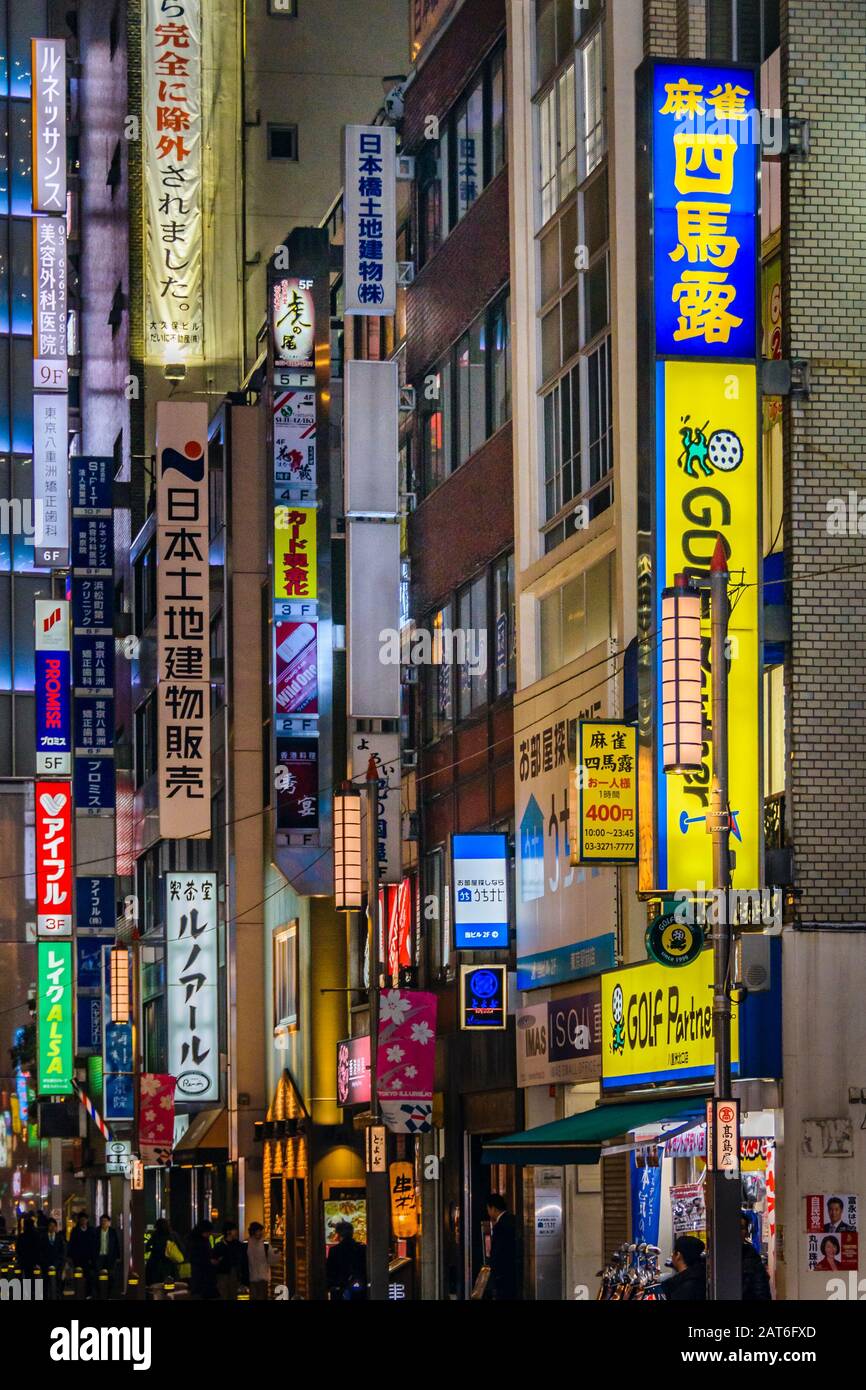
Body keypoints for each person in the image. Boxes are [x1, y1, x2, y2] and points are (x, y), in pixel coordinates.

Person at [486, 1194, 519, 1300]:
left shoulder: (499, 1227)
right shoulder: (514, 1220)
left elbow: (496, 1254)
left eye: (488, 1209)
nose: (488, 1212)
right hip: (515, 1274)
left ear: (493, 1208)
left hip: (503, 1277)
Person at [325, 1221, 367, 1301]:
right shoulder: (361, 1248)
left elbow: (330, 1271)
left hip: (340, 1289)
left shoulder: (334, 1250)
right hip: (359, 1287)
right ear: (352, 1233)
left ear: (338, 1234)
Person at [145, 1218, 185, 1294]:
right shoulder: (173, 1235)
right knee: (170, 1286)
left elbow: (147, 1247)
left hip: (155, 1265)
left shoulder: (155, 1235)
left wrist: (153, 1249)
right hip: (170, 1264)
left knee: (156, 1287)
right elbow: (181, 1248)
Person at [663, 1235, 707, 1300]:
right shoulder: (701, 1278)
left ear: (678, 1255)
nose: (671, 1256)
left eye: (673, 1252)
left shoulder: (684, 1288)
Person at [242, 1222, 278, 1300]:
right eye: (259, 1231)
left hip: (263, 1277)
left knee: (261, 1296)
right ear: (253, 1231)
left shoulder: (265, 1244)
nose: (260, 1233)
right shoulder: (246, 1244)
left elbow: (272, 1259)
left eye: (261, 1231)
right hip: (250, 1276)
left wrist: (277, 1255)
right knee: (254, 1297)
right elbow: (243, 1259)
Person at [740, 1214, 771, 1300]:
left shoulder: (752, 1257)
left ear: (746, 1232)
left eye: (742, 1228)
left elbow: (761, 1289)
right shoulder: (718, 1257)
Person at [68, 1212, 98, 1297]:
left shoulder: (91, 1230)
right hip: (78, 1258)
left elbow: (94, 1244)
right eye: (81, 1220)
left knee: (89, 1277)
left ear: (87, 1220)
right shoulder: (75, 1230)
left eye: (84, 1219)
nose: (83, 1221)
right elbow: (71, 1244)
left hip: (88, 1259)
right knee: (78, 1276)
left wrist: (93, 1258)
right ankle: (78, 1293)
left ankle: (88, 1294)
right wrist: (70, 1256)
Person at [187, 1220, 219, 1300]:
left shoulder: (199, 1240)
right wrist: (210, 1261)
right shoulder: (197, 1242)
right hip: (201, 1276)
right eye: (209, 1232)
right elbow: (196, 1258)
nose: (210, 1234)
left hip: (202, 1275)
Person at [213, 1222, 244, 1301]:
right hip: (222, 1275)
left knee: (233, 1295)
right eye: (234, 1230)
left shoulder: (238, 1245)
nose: (236, 1231)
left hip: (234, 1274)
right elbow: (214, 1260)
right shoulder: (219, 1245)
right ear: (228, 1231)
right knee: (223, 1295)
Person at [39, 1218, 66, 1298]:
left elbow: (62, 1252)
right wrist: (44, 1262)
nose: (52, 1228)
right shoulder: (43, 1237)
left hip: (57, 1264)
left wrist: (59, 1263)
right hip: (45, 1264)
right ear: (48, 1227)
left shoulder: (59, 1237)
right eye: (50, 1226)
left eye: (54, 1226)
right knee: (46, 1282)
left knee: (57, 1281)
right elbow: (41, 1251)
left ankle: (57, 1295)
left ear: (56, 1227)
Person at [96, 1214, 121, 1297]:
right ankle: (100, 1293)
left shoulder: (112, 1232)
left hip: (110, 1257)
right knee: (99, 1276)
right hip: (99, 1257)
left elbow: (116, 1245)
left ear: (109, 1222)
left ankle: (109, 1293)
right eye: (102, 1221)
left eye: (105, 1221)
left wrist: (118, 1257)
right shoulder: (96, 1231)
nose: (103, 1222)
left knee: (111, 1276)